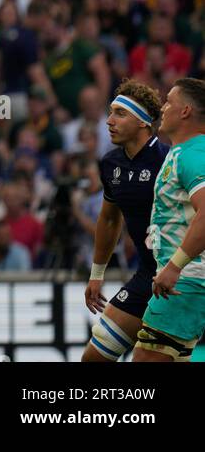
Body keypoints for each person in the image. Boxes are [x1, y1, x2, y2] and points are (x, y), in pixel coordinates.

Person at [82, 79, 168, 362]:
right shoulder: (111, 164)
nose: (109, 121)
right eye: (110, 112)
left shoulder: (169, 160)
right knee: (93, 359)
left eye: (120, 114)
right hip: (147, 274)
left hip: (182, 278)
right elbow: (108, 220)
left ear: (144, 122)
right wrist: (97, 274)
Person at [133, 78, 205, 362]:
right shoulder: (184, 152)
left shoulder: (193, 155)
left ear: (185, 111)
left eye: (169, 102)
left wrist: (174, 267)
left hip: (185, 282)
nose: (163, 108)